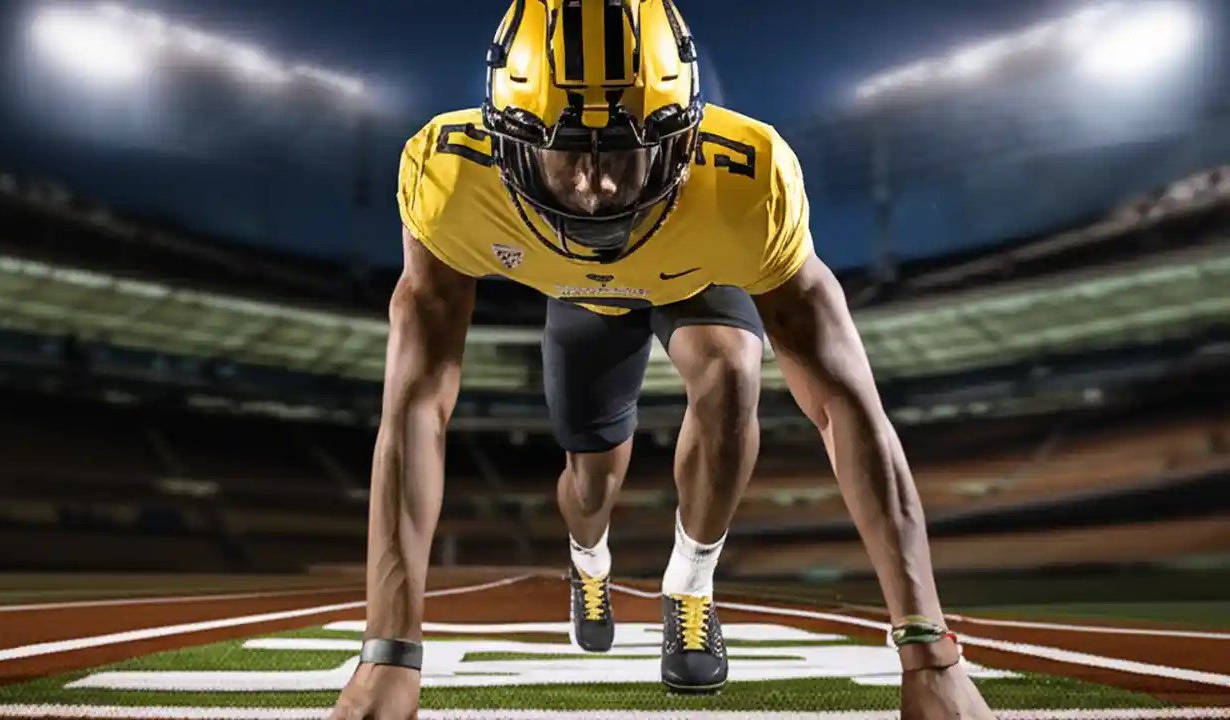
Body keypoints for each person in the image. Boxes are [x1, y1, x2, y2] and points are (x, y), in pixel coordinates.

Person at [329, 1, 996, 718]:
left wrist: (929, 648)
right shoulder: (448, 180)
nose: (597, 188)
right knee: (589, 489)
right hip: (580, 301)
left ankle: (691, 583)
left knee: (735, 369)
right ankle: (590, 561)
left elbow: (847, 403)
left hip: (691, 276)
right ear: (509, 142)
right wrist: (389, 650)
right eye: (568, 154)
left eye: (621, 149)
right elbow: (415, 404)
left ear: (681, 136)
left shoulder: (746, 183)